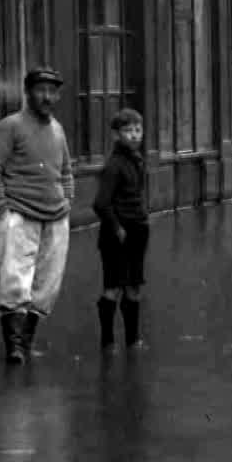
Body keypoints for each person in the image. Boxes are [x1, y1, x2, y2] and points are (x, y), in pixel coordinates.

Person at [0, 67, 75, 364]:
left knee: (46, 284)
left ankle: (27, 339)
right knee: (13, 281)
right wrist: (2, 210)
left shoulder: (57, 130)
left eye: (52, 91)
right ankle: (15, 347)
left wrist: (67, 200)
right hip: (19, 214)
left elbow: (67, 171)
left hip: (56, 218)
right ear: (28, 92)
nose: (47, 97)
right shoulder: (10, 127)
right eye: (41, 90)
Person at [93, 108, 150, 351]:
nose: (135, 135)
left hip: (137, 229)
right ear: (117, 135)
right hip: (118, 233)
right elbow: (100, 203)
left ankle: (133, 338)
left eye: (138, 130)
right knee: (113, 285)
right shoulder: (114, 165)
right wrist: (117, 228)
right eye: (128, 131)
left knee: (134, 284)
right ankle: (107, 340)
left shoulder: (136, 161)